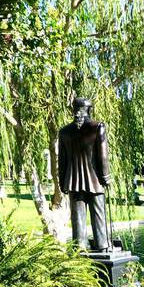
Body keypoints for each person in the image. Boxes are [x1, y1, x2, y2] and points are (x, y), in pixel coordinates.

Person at [57, 97, 111, 252]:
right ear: (88, 109)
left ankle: (79, 246)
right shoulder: (97, 126)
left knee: (78, 218)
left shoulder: (64, 132)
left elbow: (62, 161)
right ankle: (102, 245)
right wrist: (106, 177)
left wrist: (62, 183)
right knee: (98, 214)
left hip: (73, 182)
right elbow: (103, 156)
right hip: (95, 181)